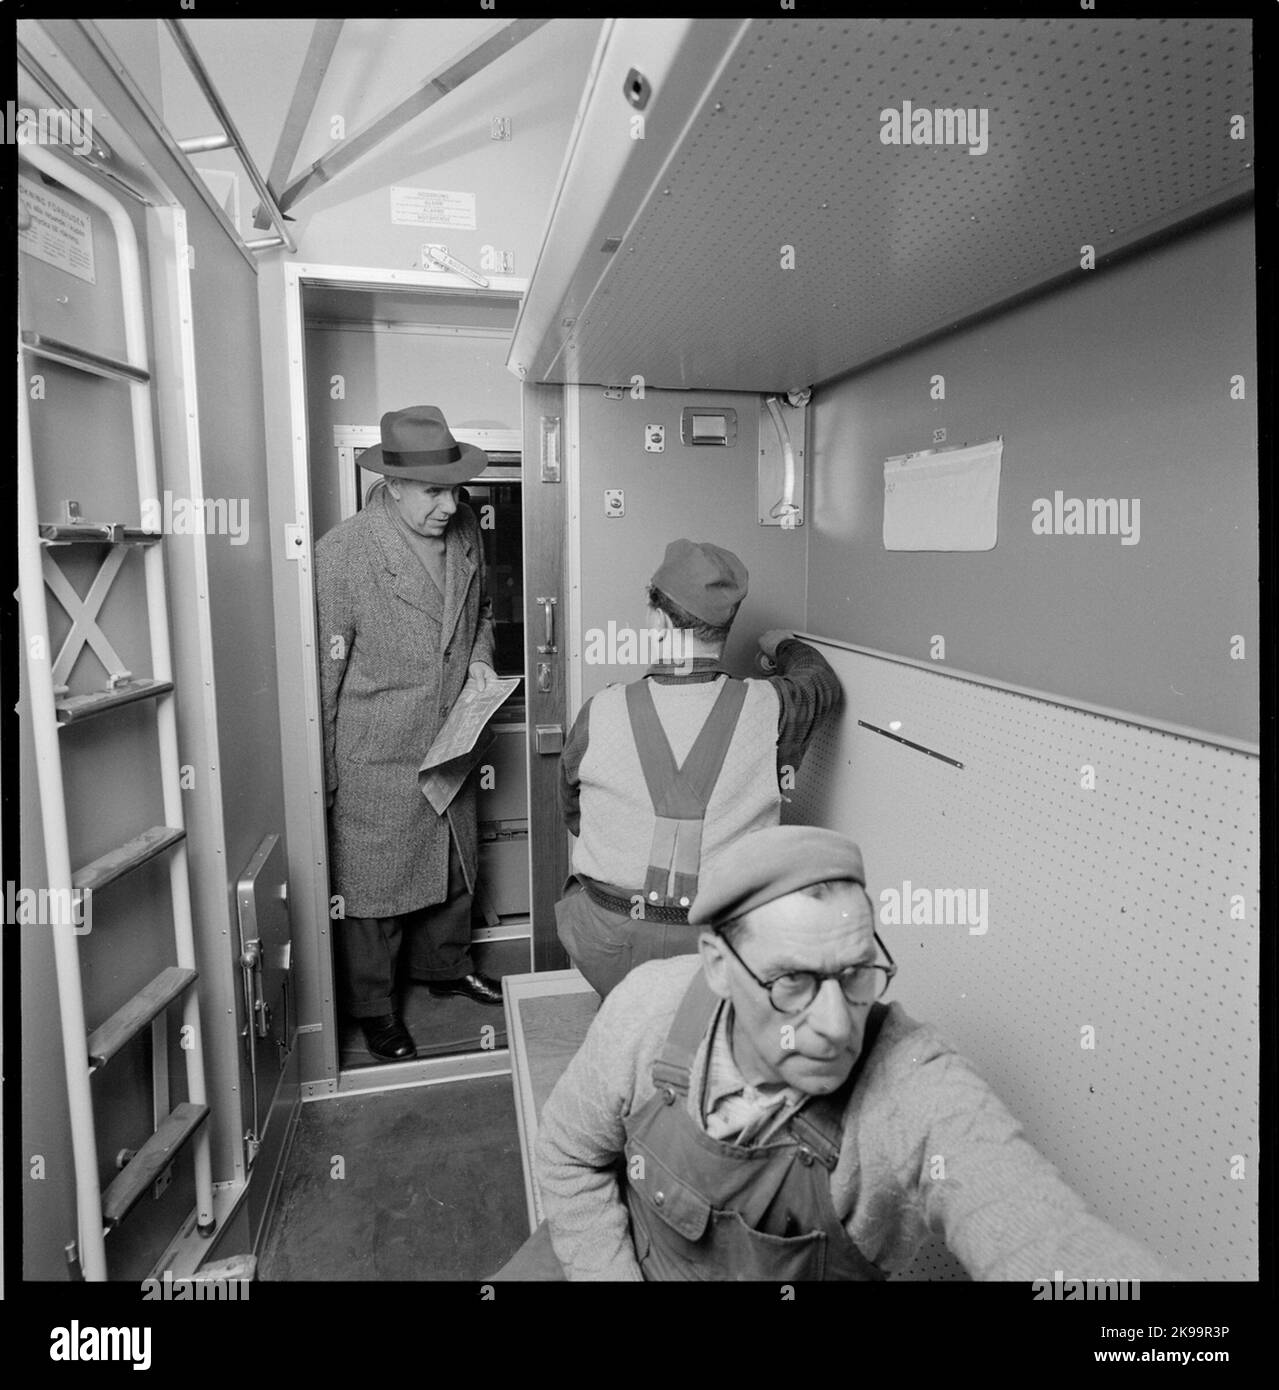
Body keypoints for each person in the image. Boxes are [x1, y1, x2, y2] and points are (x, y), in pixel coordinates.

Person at [494, 825, 1179, 1281]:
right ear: (716, 964)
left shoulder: (911, 1086)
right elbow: (568, 1155)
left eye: (854, 974)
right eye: (791, 981)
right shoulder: (646, 1011)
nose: (832, 1027)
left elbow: (1048, 1240)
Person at [556, 538, 842, 997]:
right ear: (727, 626)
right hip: (723, 948)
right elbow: (821, 682)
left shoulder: (600, 710)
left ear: (658, 618)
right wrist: (782, 645)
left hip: (607, 942)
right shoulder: (774, 706)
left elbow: (573, 813)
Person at [316, 405, 504, 1063]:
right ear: (392, 485)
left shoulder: (464, 536)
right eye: (434, 490)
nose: (451, 505)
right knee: (372, 891)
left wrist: (480, 662)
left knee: (453, 868)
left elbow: (479, 613)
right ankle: (374, 1009)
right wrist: (326, 779)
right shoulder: (343, 552)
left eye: (456, 488)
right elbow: (322, 675)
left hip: (452, 739)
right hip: (376, 754)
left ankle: (444, 969)